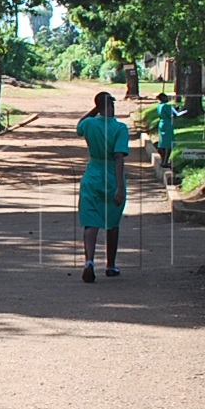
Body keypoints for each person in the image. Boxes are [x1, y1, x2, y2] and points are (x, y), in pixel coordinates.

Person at [77, 90, 129, 282]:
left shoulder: (90, 124)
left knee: (91, 220)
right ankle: (111, 265)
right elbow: (118, 157)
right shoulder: (120, 128)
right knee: (112, 222)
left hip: (92, 173)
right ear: (111, 106)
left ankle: (89, 261)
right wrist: (120, 186)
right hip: (111, 176)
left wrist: (94, 110)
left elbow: (79, 125)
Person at [152, 91, 179, 169]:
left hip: (161, 123)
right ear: (163, 98)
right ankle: (165, 161)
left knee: (162, 142)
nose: (167, 98)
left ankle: (162, 160)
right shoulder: (166, 106)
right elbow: (173, 115)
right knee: (168, 143)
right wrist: (176, 111)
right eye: (166, 97)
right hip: (167, 124)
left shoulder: (159, 106)